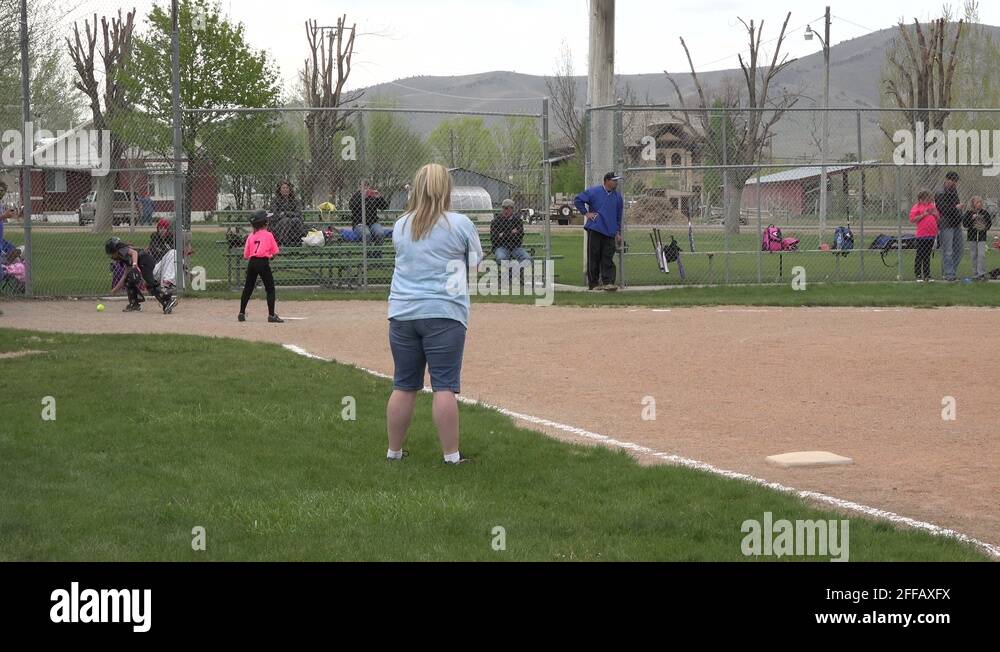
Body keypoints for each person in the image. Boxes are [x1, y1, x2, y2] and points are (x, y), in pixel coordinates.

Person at [386, 163, 483, 465]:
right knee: (444, 385)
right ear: (446, 189)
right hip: (444, 312)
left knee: (404, 385)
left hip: (402, 312)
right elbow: (476, 263)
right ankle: (451, 456)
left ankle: (394, 453)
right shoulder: (460, 223)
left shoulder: (402, 224)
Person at [575, 172, 623, 291]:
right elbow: (578, 200)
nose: (616, 182)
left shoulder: (618, 197)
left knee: (607, 257)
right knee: (594, 256)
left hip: (610, 231)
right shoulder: (594, 191)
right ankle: (594, 283)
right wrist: (586, 213)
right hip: (595, 228)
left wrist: (617, 232)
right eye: (614, 180)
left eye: (617, 180)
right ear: (606, 181)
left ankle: (608, 282)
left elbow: (618, 216)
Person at [104, 237, 178, 313]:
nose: (112, 257)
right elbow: (124, 276)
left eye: (111, 254)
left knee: (150, 284)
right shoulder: (124, 258)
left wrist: (134, 265)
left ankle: (168, 301)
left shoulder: (122, 250)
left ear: (115, 250)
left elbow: (134, 253)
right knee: (128, 280)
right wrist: (114, 290)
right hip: (143, 262)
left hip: (145, 261)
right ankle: (134, 304)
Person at [238, 209, 283, 323]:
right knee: (270, 289)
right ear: (264, 223)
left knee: (248, 288)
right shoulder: (268, 235)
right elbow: (275, 252)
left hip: (252, 263)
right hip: (263, 263)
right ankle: (271, 315)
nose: (268, 222)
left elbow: (246, 255)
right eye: (267, 220)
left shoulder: (250, 236)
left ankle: (241, 313)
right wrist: (271, 255)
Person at [935, 171, 965, 281]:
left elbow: (955, 206)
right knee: (947, 251)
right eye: (953, 181)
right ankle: (949, 275)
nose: (954, 183)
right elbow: (944, 209)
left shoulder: (954, 191)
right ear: (947, 180)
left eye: (956, 182)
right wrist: (956, 207)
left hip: (956, 224)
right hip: (946, 224)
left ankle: (949, 272)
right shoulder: (940, 192)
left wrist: (959, 213)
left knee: (959, 250)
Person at [910, 189, 940, 283]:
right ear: (920, 199)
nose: (928, 200)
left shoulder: (932, 206)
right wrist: (924, 214)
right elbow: (912, 219)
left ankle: (927, 274)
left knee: (927, 255)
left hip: (931, 235)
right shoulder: (917, 207)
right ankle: (918, 274)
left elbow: (937, 217)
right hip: (922, 235)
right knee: (920, 255)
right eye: (926, 199)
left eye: (929, 198)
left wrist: (933, 213)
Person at [490, 198, 531, 264]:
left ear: (512, 209)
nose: (505, 210)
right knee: (501, 258)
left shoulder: (517, 220)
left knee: (527, 259)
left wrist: (503, 235)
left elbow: (519, 237)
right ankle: (510, 273)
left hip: (516, 247)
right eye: (503, 208)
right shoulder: (496, 221)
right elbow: (494, 238)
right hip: (501, 247)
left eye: (507, 208)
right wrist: (511, 233)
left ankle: (519, 273)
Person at [962, 196, 993, 280]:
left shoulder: (984, 212)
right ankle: (975, 274)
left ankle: (981, 273)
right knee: (974, 255)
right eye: (977, 202)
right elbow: (965, 224)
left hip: (982, 237)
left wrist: (984, 227)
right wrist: (972, 218)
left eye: (980, 202)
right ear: (973, 204)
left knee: (981, 255)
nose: (979, 204)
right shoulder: (969, 213)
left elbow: (989, 223)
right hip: (972, 237)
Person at [268, 181, 306, 247]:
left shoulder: (295, 200)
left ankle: (297, 243)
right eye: (283, 188)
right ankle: (284, 243)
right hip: (279, 225)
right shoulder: (275, 200)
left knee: (295, 220)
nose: (285, 190)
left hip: (292, 224)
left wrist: (285, 213)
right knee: (286, 220)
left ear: (290, 189)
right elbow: (275, 215)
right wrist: (290, 214)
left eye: (287, 188)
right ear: (279, 190)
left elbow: (298, 214)